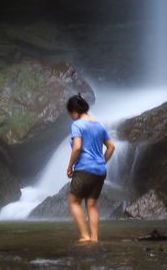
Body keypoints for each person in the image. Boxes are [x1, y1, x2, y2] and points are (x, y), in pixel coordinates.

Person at [65, 93, 115, 243]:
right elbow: (111, 147)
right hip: (100, 171)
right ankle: (94, 238)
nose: (70, 116)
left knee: (74, 201)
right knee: (92, 204)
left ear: (74, 111)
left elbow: (77, 147)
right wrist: (101, 162)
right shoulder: (99, 125)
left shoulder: (77, 125)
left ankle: (84, 235)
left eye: (70, 113)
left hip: (84, 169)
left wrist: (70, 166)